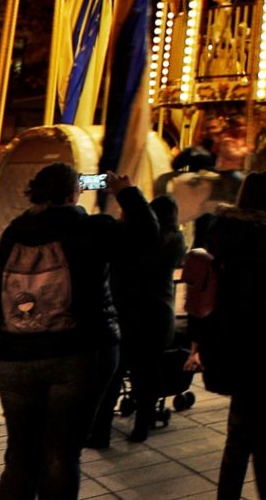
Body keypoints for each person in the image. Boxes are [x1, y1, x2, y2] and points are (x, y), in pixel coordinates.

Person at [0, 165, 156, 500]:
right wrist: (126, 193)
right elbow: (146, 234)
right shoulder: (91, 228)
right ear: (75, 192)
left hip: (15, 355)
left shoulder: (13, 234)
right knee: (61, 452)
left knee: (20, 453)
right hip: (79, 352)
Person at [192, 169, 266, 500]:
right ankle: (239, 492)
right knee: (247, 423)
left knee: (257, 415)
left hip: (223, 339)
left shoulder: (222, 232)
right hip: (254, 345)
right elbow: (265, 302)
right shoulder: (262, 243)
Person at [89, 191, 186, 447]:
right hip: (157, 318)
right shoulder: (175, 240)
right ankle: (142, 427)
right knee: (147, 375)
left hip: (125, 315)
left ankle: (100, 433)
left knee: (112, 377)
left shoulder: (131, 240)